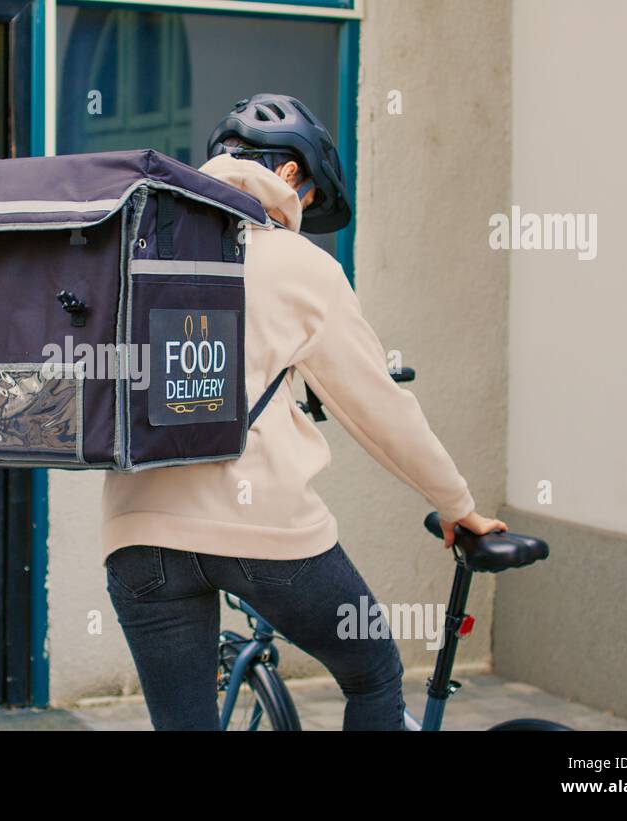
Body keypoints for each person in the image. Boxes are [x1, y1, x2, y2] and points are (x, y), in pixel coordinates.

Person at [101, 93, 508, 730]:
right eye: (312, 194)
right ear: (291, 174)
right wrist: (458, 505)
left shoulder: (131, 248)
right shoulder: (302, 265)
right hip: (265, 535)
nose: (307, 209)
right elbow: (380, 409)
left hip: (138, 535)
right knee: (373, 673)